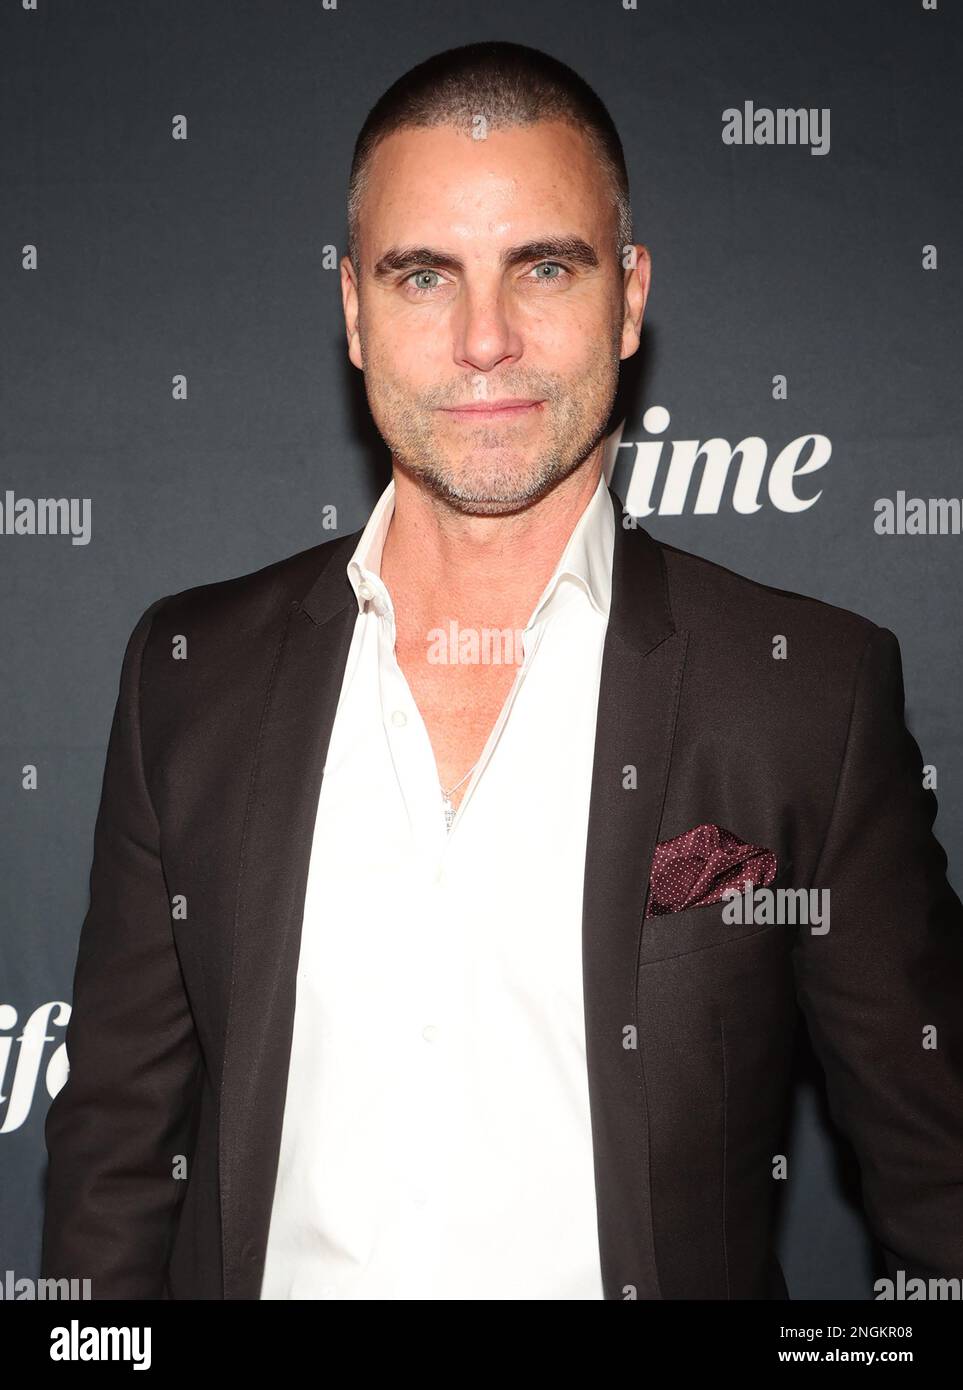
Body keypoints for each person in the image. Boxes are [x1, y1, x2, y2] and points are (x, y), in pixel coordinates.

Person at [41, 40, 963, 1300]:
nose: (485, 340)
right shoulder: (188, 673)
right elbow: (112, 1172)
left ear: (629, 297)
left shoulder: (805, 691)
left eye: (543, 266)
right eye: (426, 277)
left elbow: (940, 1186)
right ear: (356, 314)